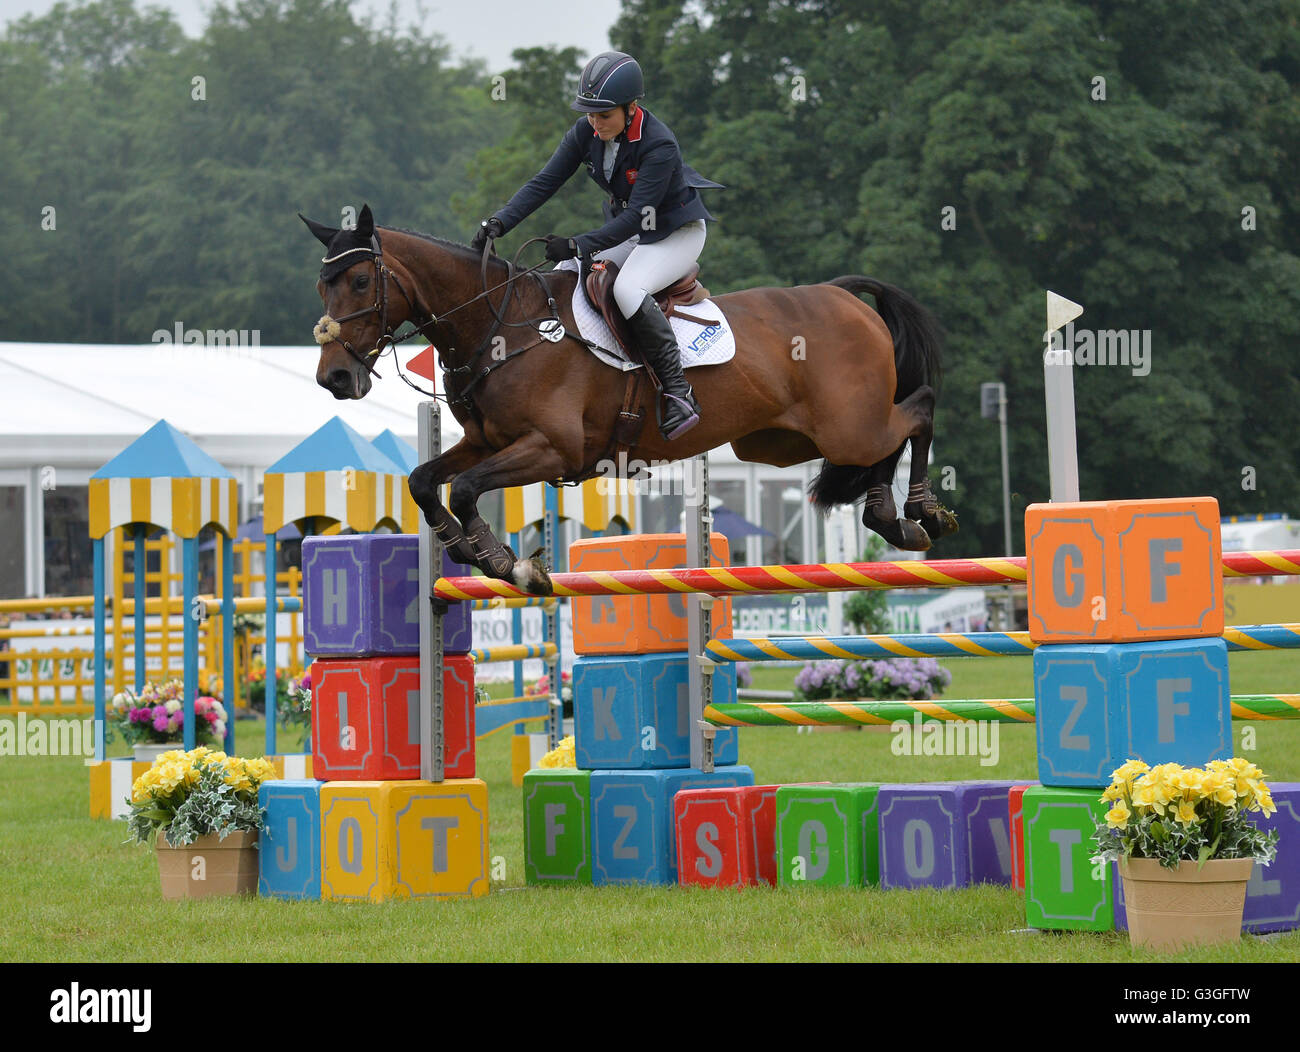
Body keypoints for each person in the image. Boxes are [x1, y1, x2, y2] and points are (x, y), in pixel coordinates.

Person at [472, 51, 722, 441]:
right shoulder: (585, 132)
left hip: (675, 232)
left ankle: (679, 391)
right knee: (565, 275)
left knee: (627, 288)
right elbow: (545, 182)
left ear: (631, 107)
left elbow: (639, 215)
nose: (594, 122)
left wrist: (577, 243)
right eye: (589, 113)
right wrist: (499, 221)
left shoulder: (659, 144)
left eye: (603, 115)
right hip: (631, 231)